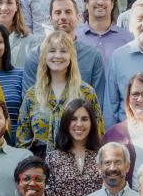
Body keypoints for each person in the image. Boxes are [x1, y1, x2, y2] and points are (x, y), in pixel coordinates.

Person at [18, 30, 105, 159]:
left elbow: (98, 133)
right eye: (52, 51)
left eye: (64, 51)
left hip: (77, 161)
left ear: (71, 56)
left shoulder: (86, 92)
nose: (57, 55)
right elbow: (23, 140)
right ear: (44, 56)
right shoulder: (32, 94)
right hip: (39, 163)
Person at [22, 0, 107, 93]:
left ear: (78, 17)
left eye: (68, 12)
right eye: (58, 13)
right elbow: (28, 97)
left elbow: (98, 98)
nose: (63, 17)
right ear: (50, 19)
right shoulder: (35, 56)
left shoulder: (93, 56)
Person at [46, 99, 106, 196]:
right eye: (73, 119)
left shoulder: (102, 156)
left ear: (92, 123)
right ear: (66, 123)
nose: (79, 124)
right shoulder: (52, 158)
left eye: (84, 119)